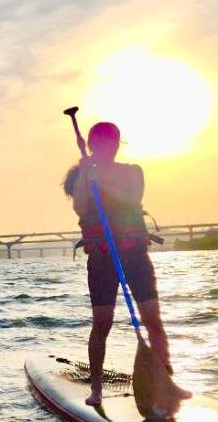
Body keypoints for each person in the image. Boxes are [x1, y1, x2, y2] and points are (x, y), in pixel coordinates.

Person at [63, 121, 181, 407]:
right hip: (103, 257)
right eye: (101, 144)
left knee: (153, 319)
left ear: (118, 144)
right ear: (92, 146)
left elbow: (132, 199)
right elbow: (79, 207)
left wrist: (100, 184)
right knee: (102, 323)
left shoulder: (132, 171)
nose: (108, 148)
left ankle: (167, 382)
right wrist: (84, 176)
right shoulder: (83, 174)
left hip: (134, 253)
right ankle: (96, 389)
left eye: (112, 143)